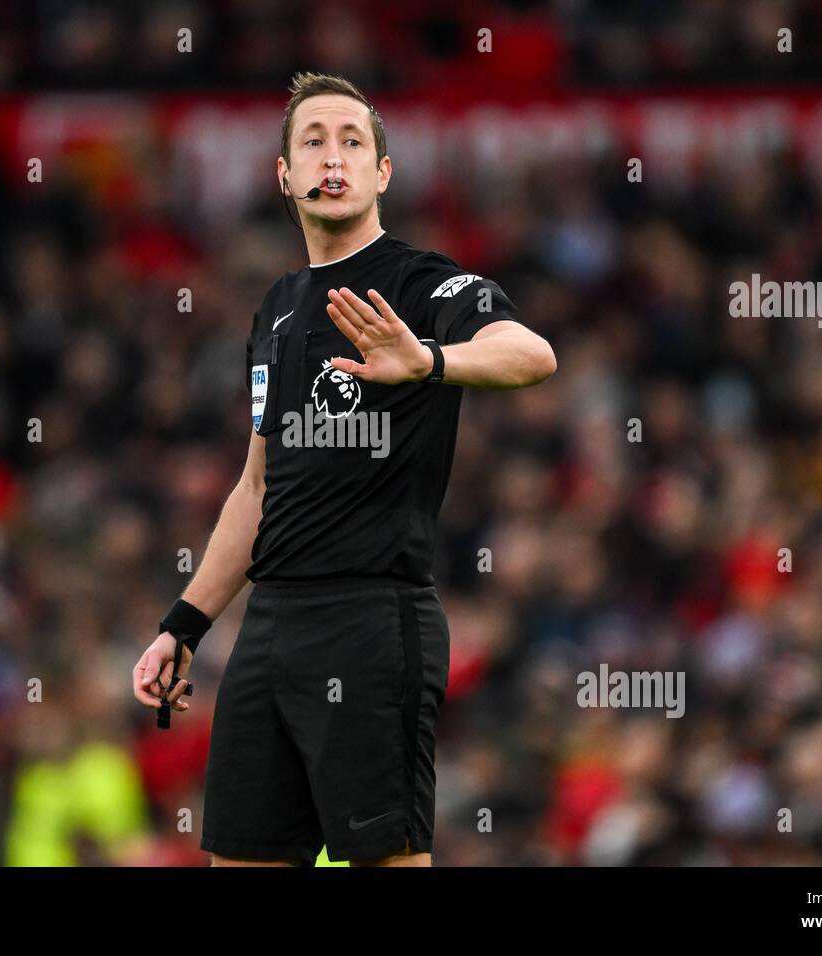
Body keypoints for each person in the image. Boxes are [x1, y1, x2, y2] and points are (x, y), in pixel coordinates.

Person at [132, 72, 557, 867]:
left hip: (371, 621)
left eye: (353, 142)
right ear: (284, 175)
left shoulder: (420, 283)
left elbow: (531, 354)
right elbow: (257, 486)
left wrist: (426, 360)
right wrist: (184, 626)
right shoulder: (279, 306)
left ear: (382, 173)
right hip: (269, 630)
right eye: (314, 142)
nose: (334, 157)